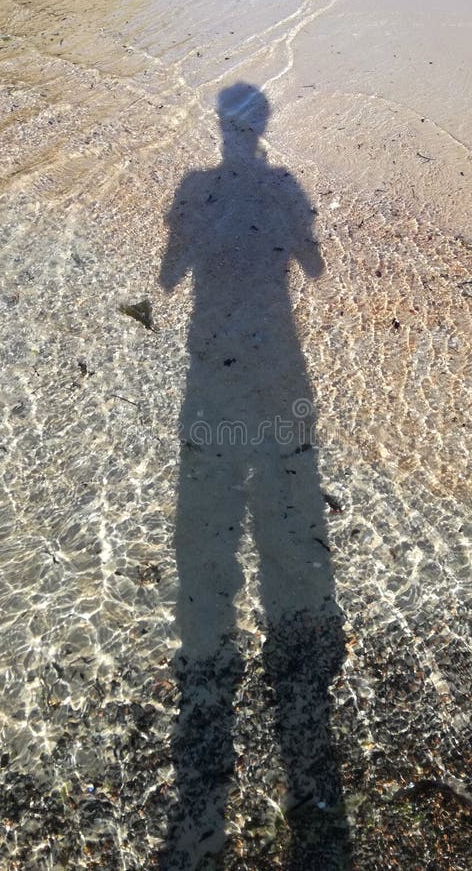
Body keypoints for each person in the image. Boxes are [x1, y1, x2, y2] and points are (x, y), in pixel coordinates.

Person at [159, 82, 349, 869]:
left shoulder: (195, 188)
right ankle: (296, 624)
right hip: (274, 357)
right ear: (265, 130)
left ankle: (209, 639)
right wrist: (278, 232)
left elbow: (169, 275)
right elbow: (310, 266)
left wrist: (200, 233)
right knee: (285, 497)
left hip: (212, 359)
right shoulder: (284, 187)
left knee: (208, 520)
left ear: (218, 128)